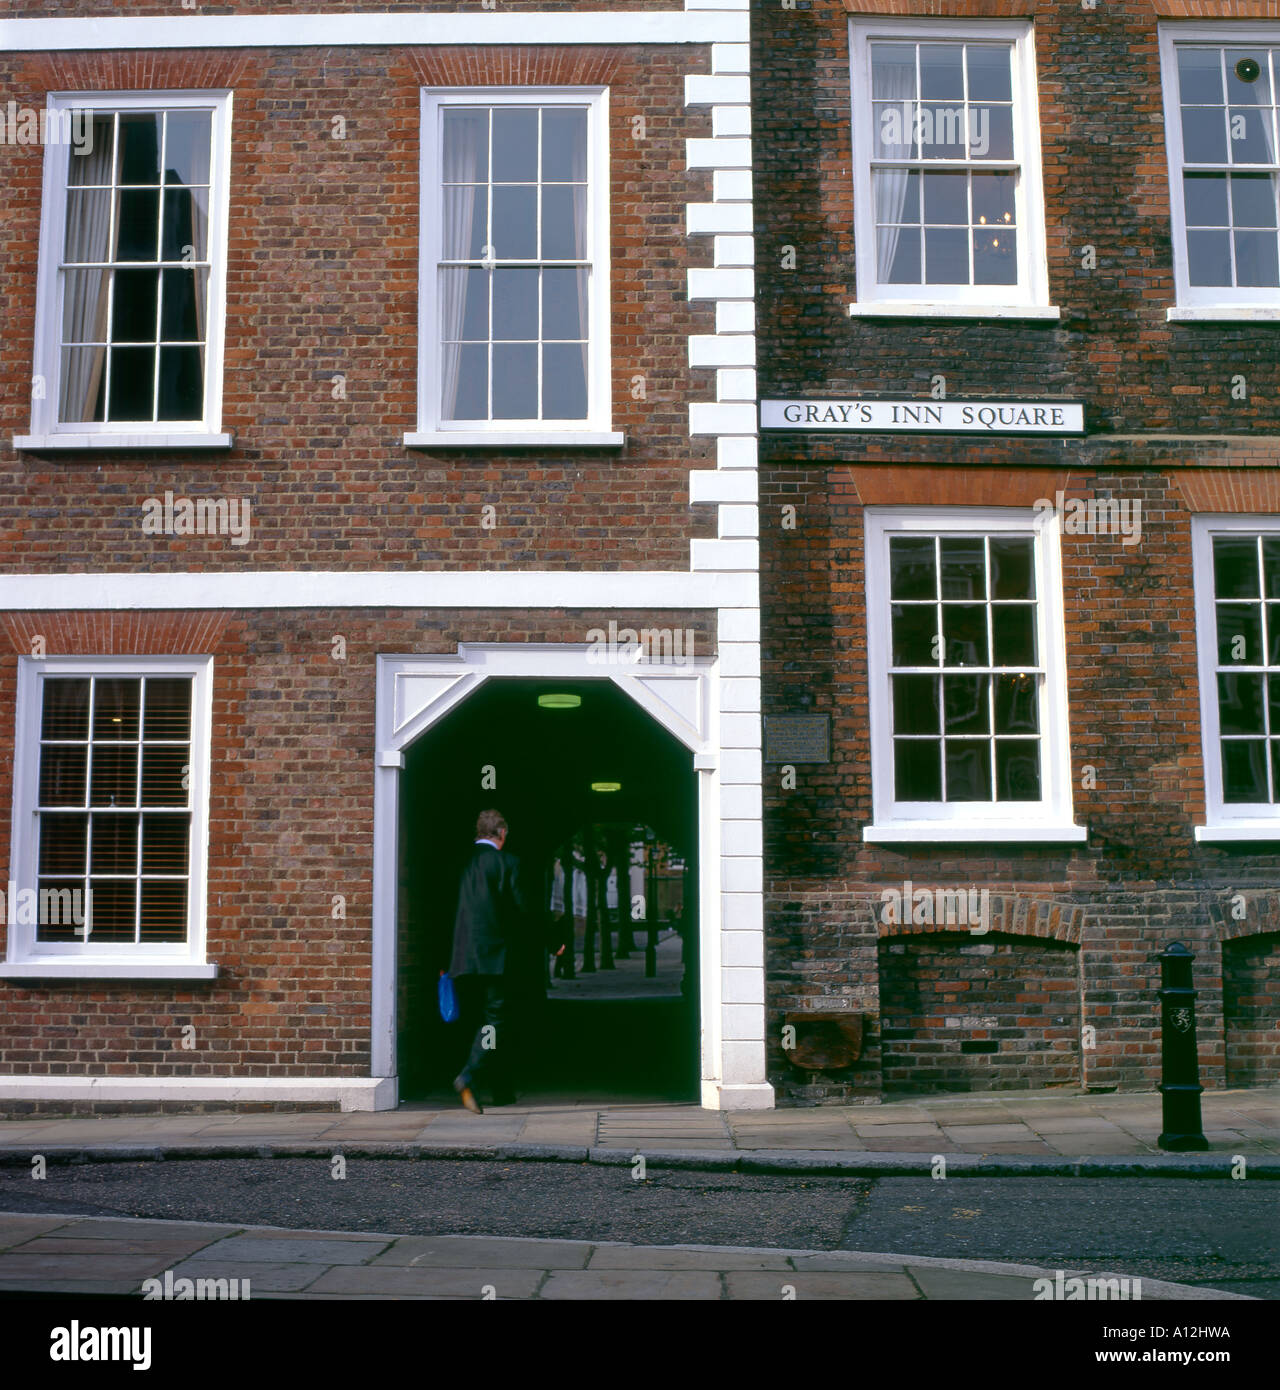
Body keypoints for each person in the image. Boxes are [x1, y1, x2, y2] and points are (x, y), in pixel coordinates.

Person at [448, 809, 559, 1113]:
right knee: (495, 1020)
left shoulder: (459, 862)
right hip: (495, 959)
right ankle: (468, 1075)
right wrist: (552, 942)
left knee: (475, 1021)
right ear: (503, 833)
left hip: (460, 958)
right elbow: (526, 910)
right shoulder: (508, 863)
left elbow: (443, 909)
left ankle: (500, 1090)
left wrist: (444, 958)